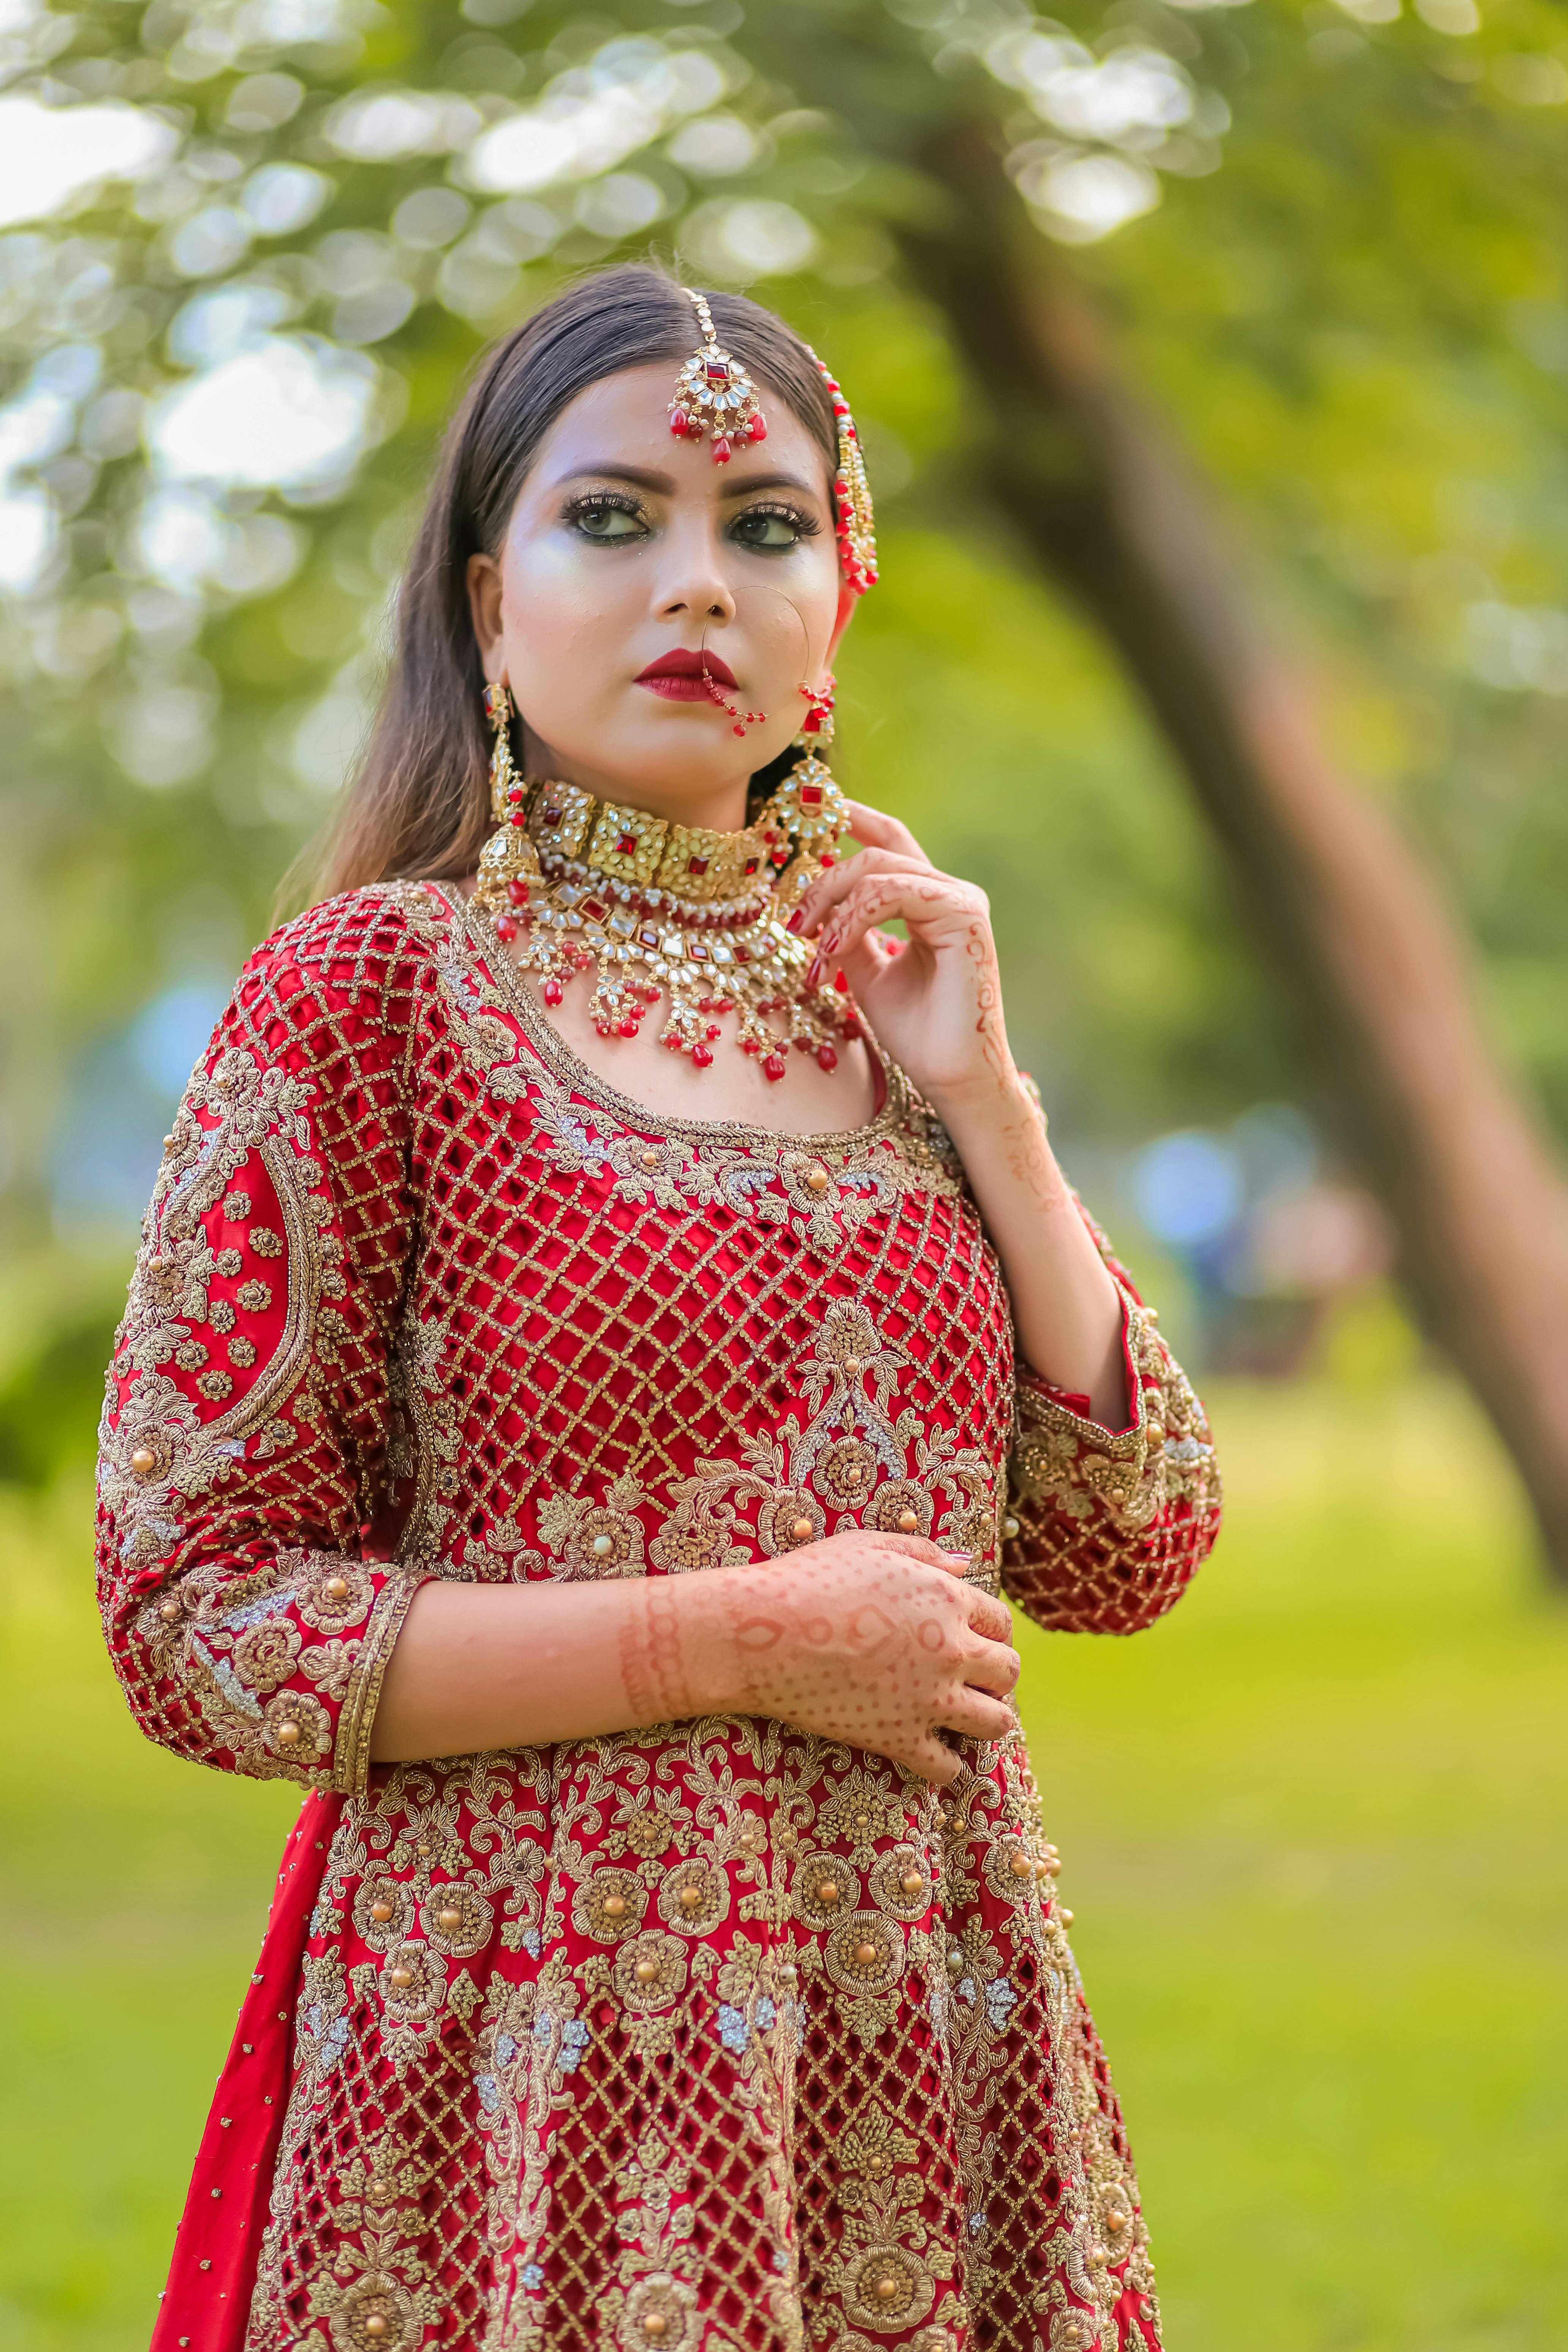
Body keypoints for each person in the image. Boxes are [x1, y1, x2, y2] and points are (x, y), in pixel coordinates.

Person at [96, 263, 1221, 2352]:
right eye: (610, 519)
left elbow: (1126, 1540)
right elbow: (195, 1614)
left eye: (763, 524)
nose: (694, 582)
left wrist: (985, 1091)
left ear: (835, 605)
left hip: (922, 2045)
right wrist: (737, 1637)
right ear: (485, 601)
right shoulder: (374, 997)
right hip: (512, 2070)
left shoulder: (896, 1022)